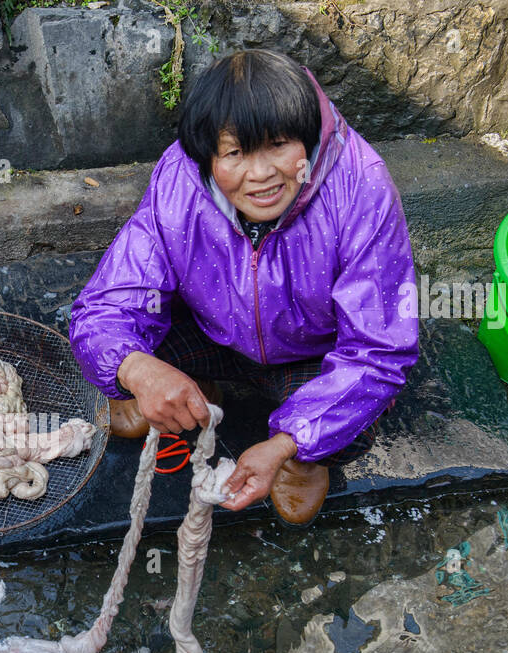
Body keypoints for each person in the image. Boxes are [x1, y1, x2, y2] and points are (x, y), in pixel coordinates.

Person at [68, 49, 419, 526]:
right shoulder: (181, 178)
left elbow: (379, 352)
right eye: (234, 153)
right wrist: (138, 372)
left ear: (308, 136)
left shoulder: (361, 188)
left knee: (352, 424)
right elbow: (109, 303)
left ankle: (302, 459)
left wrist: (283, 445)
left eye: (278, 145)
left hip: (310, 353)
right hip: (214, 330)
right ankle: (194, 391)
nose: (260, 175)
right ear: (208, 153)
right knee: (124, 354)